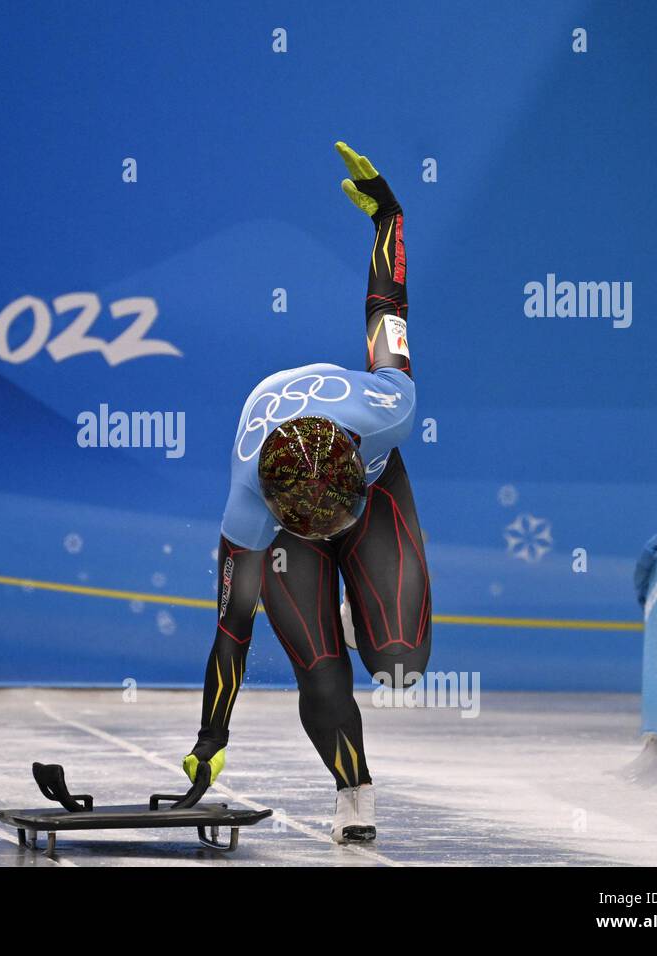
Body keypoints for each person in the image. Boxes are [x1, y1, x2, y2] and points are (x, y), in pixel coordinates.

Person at [182, 143, 431, 842]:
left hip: (373, 490)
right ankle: (355, 791)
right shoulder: (247, 510)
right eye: (314, 526)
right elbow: (231, 633)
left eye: (331, 524)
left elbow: (385, 302)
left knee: (403, 665)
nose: (325, 531)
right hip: (289, 519)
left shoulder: (391, 405)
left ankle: (364, 613)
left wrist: (389, 218)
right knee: (321, 675)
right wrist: (210, 738)